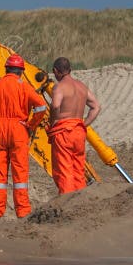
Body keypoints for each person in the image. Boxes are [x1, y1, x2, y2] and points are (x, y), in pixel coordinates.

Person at [0, 54, 48, 219]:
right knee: (20, 174)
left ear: (6, 69)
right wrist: (31, 125)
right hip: (19, 130)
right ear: (21, 71)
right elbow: (41, 107)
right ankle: (23, 212)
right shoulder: (24, 86)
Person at [48, 56, 101, 194]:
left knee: (64, 170)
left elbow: (55, 105)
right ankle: (79, 200)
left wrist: (53, 121)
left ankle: (67, 200)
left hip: (64, 132)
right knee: (78, 168)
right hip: (79, 131)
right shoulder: (82, 86)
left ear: (55, 71)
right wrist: (84, 124)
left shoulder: (59, 87)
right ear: (70, 70)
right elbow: (96, 107)